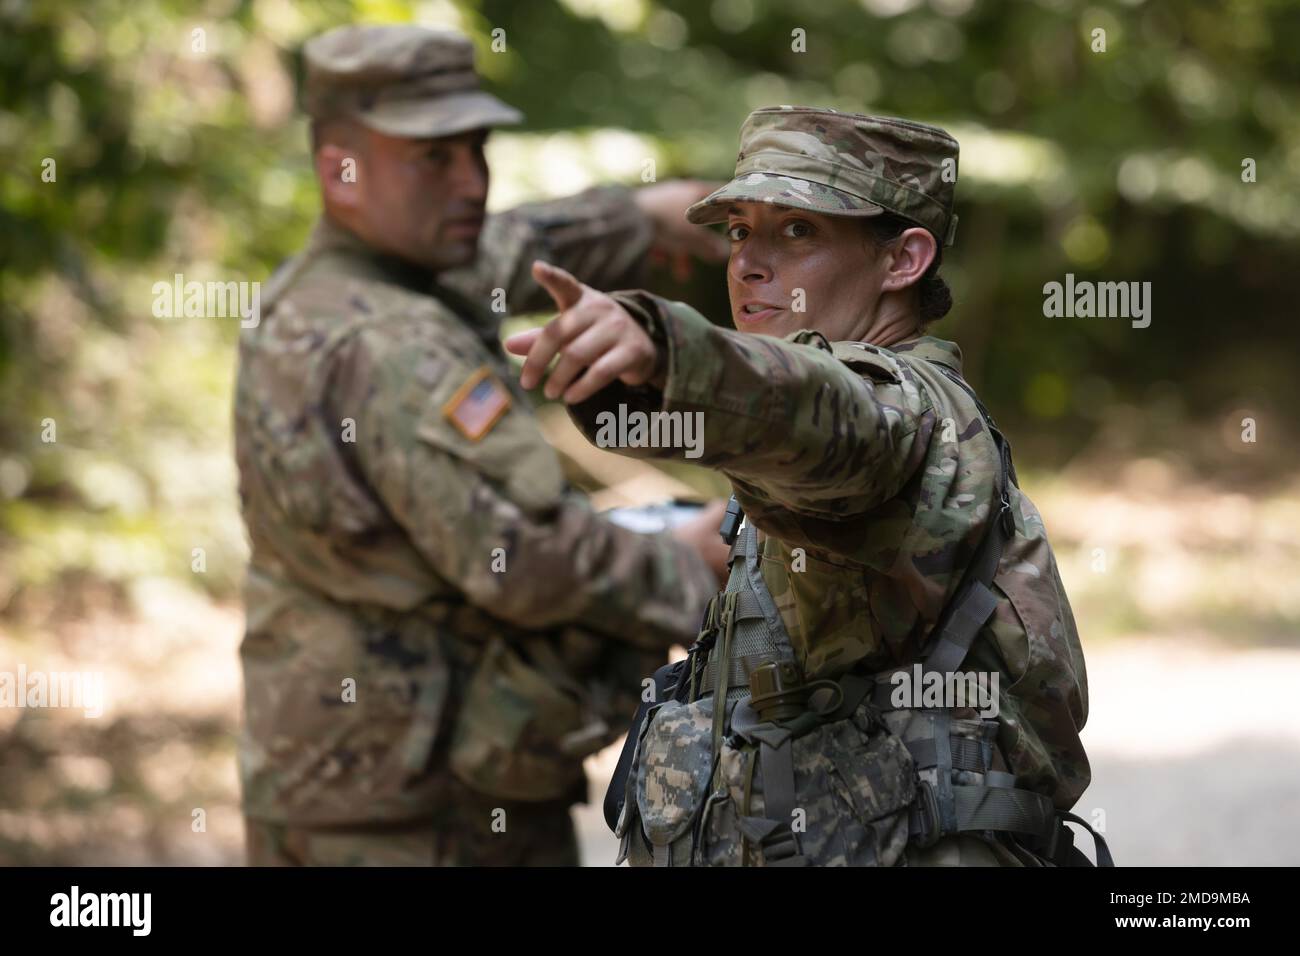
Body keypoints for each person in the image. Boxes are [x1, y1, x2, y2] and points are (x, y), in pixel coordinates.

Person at [506, 106, 1112, 866]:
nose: (748, 264)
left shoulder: (908, 410)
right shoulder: (787, 447)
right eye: (738, 232)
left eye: (798, 231)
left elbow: (820, 412)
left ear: (904, 260)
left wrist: (673, 353)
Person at [234, 23, 730, 866]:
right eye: (435, 158)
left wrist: (641, 215)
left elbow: (514, 246)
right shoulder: (394, 346)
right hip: (429, 814)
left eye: (477, 148)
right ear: (339, 172)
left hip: (325, 776)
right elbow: (527, 558)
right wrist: (691, 561)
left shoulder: (327, 287)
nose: (472, 181)